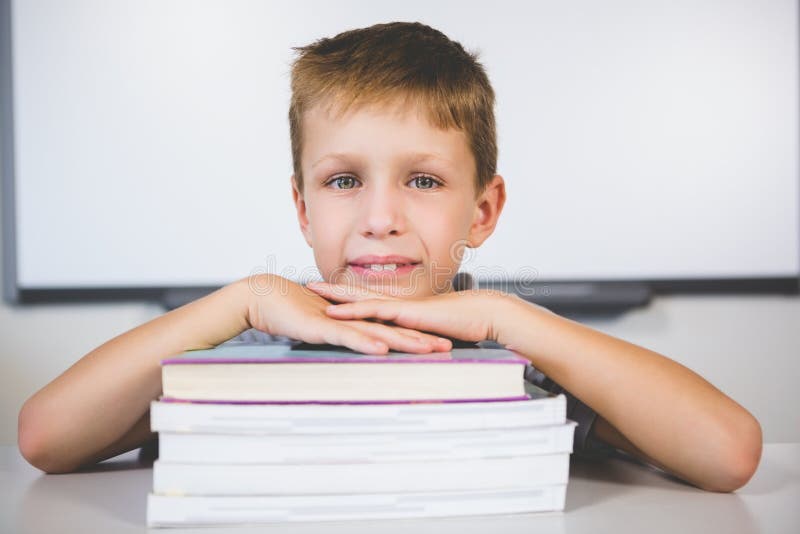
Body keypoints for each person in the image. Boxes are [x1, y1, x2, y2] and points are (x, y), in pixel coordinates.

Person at [17, 22, 761, 492]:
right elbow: (45, 437)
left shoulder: (516, 356)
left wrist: (508, 314)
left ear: (484, 210)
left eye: (424, 180)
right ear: (303, 209)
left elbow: (729, 453)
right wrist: (242, 299)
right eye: (344, 181)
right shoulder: (249, 349)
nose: (380, 219)